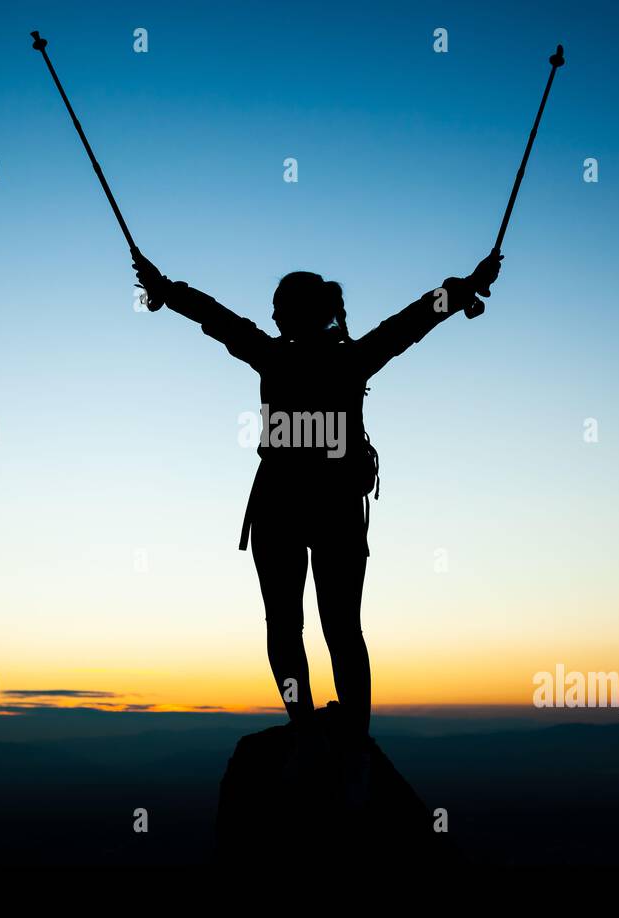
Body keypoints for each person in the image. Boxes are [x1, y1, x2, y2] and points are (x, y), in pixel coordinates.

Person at [132, 249, 502, 791]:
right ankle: (352, 742)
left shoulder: (274, 357)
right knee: (342, 629)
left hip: (280, 505)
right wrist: (466, 285)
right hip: (335, 509)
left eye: (279, 307)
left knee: (284, 627)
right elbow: (416, 319)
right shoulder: (350, 360)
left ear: (292, 313)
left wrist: (166, 289)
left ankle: (304, 730)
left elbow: (214, 318)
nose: (274, 316)